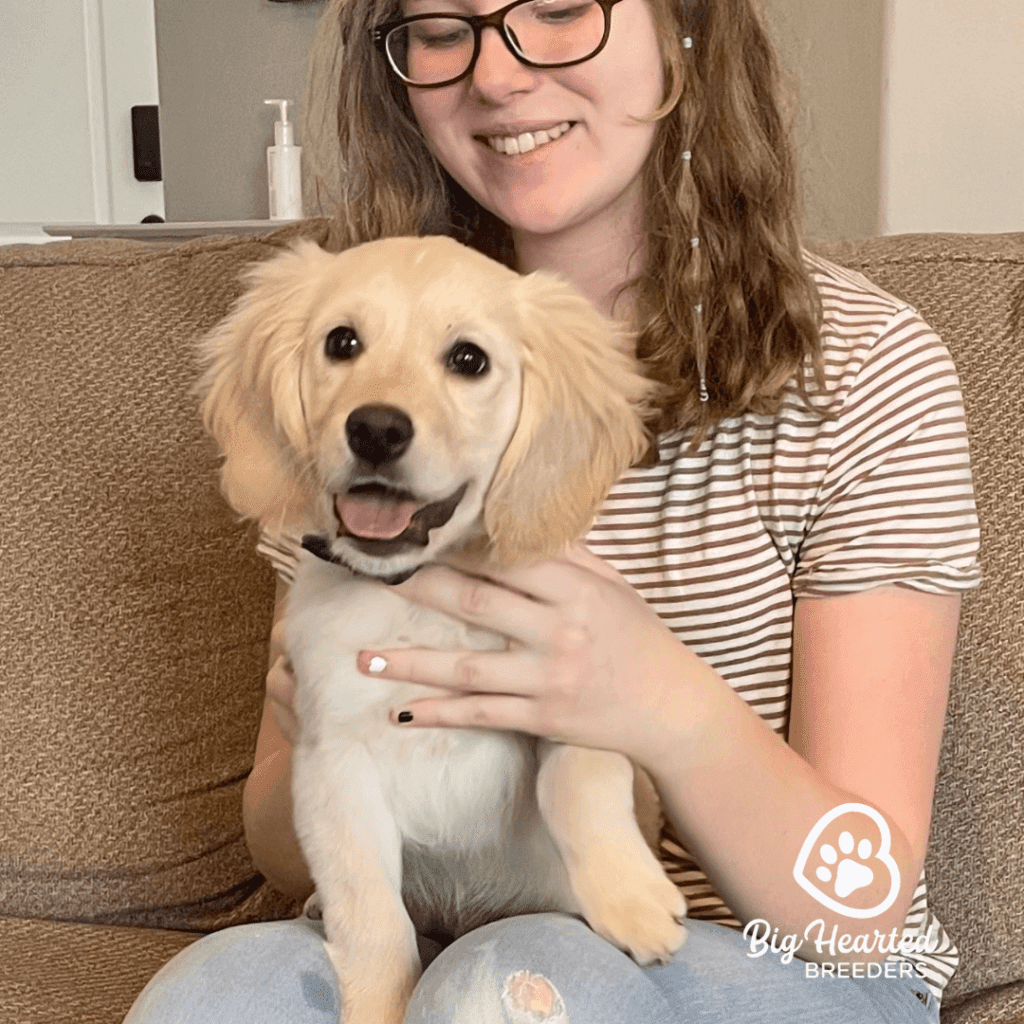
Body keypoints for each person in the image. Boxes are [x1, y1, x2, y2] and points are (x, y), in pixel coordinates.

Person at [125, 0, 980, 1020]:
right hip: (421, 924)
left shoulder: (865, 371)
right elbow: (281, 843)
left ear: (681, 31)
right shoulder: (349, 367)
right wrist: (316, 725)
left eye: (561, 8)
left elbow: (864, 915)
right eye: (444, 27)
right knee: (219, 989)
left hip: (770, 959)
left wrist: (655, 701)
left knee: (509, 980)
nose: (495, 75)